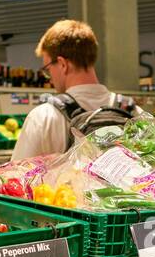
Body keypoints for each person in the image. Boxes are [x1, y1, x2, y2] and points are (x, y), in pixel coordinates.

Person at [11, 19, 139, 159]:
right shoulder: (133, 112)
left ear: (62, 64)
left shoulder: (44, 117)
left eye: (48, 70)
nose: (50, 78)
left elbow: (16, 176)